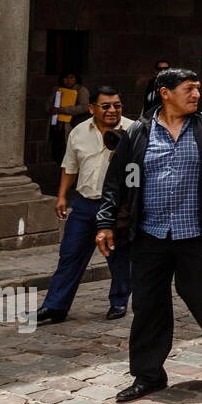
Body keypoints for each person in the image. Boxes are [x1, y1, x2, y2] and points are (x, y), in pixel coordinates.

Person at [96, 68, 202, 402]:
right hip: (149, 232)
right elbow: (116, 181)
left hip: (194, 230)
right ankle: (148, 375)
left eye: (197, 89)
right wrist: (105, 222)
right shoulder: (139, 133)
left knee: (200, 295)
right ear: (165, 93)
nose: (196, 94)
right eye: (189, 89)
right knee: (149, 304)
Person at [35, 86, 134, 323]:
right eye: (106, 106)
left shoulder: (134, 131)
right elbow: (70, 166)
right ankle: (55, 306)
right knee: (70, 254)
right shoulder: (79, 131)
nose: (112, 110)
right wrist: (61, 196)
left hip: (116, 207)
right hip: (83, 205)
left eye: (117, 105)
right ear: (92, 108)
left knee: (119, 258)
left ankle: (119, 302)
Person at [48, 72, 90, 164]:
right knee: (57, 153)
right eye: (66, 78)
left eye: (71, 78)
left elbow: (84, 107)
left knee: (71, 153)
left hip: (72, 125)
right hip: (57, 126)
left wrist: (62, 110)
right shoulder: (57, 90)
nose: (68, 81)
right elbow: (48, 105)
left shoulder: (81, 90)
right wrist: (51, 108)